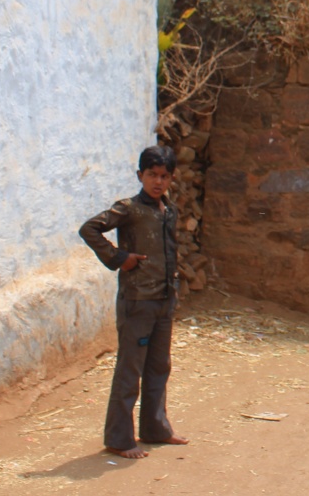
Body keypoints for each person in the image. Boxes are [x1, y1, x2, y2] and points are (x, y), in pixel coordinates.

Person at [79, 145, 190, 459]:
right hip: (137, 301)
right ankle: (119, 438)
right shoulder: (128, 209)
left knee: (159, 366)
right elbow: (90, 228)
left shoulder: (169, 211)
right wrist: (118, 257)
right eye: (151, 175)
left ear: (171, 178)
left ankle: (155, 429)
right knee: (130, 370)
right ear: (140, 175)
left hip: (163, 300)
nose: (158, 181)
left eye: (164, 176)